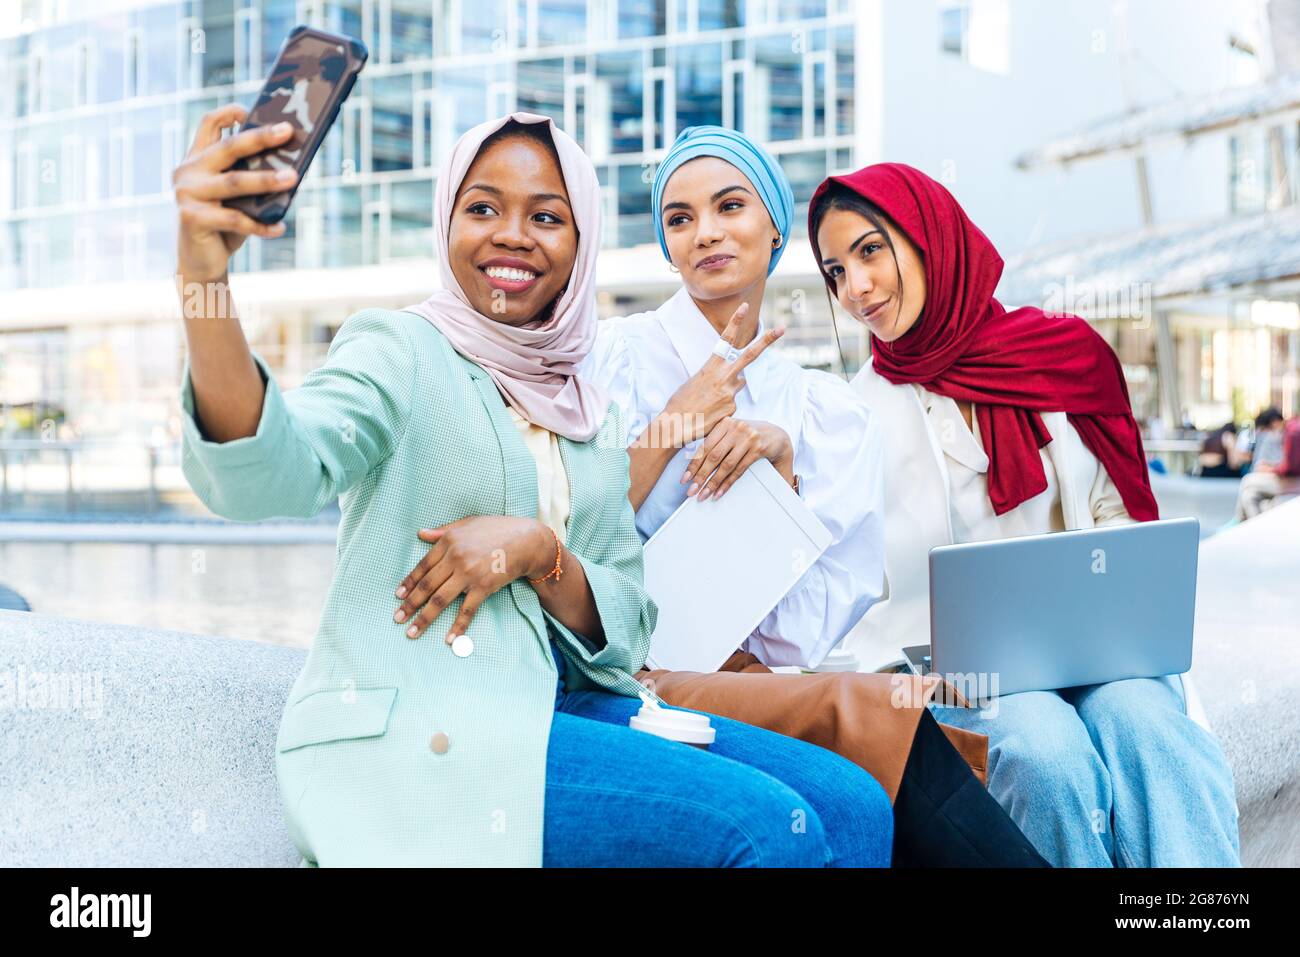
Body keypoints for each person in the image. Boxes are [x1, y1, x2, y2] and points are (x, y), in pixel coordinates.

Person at [173, 107, 893, 867]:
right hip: (427, 725)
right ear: (447, 225)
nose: (513, 234)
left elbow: (624, 612)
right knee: (767, 827)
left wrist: (540, 550)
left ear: (580, 245)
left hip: (559, 704)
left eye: (547, 216)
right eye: (482, 207)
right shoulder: (399, 349)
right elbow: (272, 471)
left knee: (855, 805)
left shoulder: (582, 398)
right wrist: (204, 280)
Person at [507, 125, 1043, 866]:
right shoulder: (610, 357)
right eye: (680, 218)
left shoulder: (821, 413)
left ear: (774, 227)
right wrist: (674, 424)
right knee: (879, 718)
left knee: (882, 721)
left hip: (734, 673)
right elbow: (565, 531)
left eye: (730, 206)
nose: (706, 233)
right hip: (618, 663)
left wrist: (779, 477)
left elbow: (795, 638)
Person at [811, 162, 1241, 867]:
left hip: (1102, 651)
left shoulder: (1061, 358)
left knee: (1152, 732)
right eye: (834, 270)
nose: (855, 287)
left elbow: (1117, 510)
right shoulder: (852, 414)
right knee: (1044, 751)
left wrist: (1113, 597)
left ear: (929, 240)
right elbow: (850, 593)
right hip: (963, 679)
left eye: (869, 250)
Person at [1235, 408, 1300, 520]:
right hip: (1291, 478)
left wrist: (1268, 469)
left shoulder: (1292, 433)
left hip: (1294, 481)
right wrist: (1272, 465)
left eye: (1268, 430)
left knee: (1247, 480)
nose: (1269, 435)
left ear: (1274, 423)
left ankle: (1237, 521)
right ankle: (1254, 529)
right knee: (1248, 496)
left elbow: (1289, 468)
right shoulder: (1292, 430)